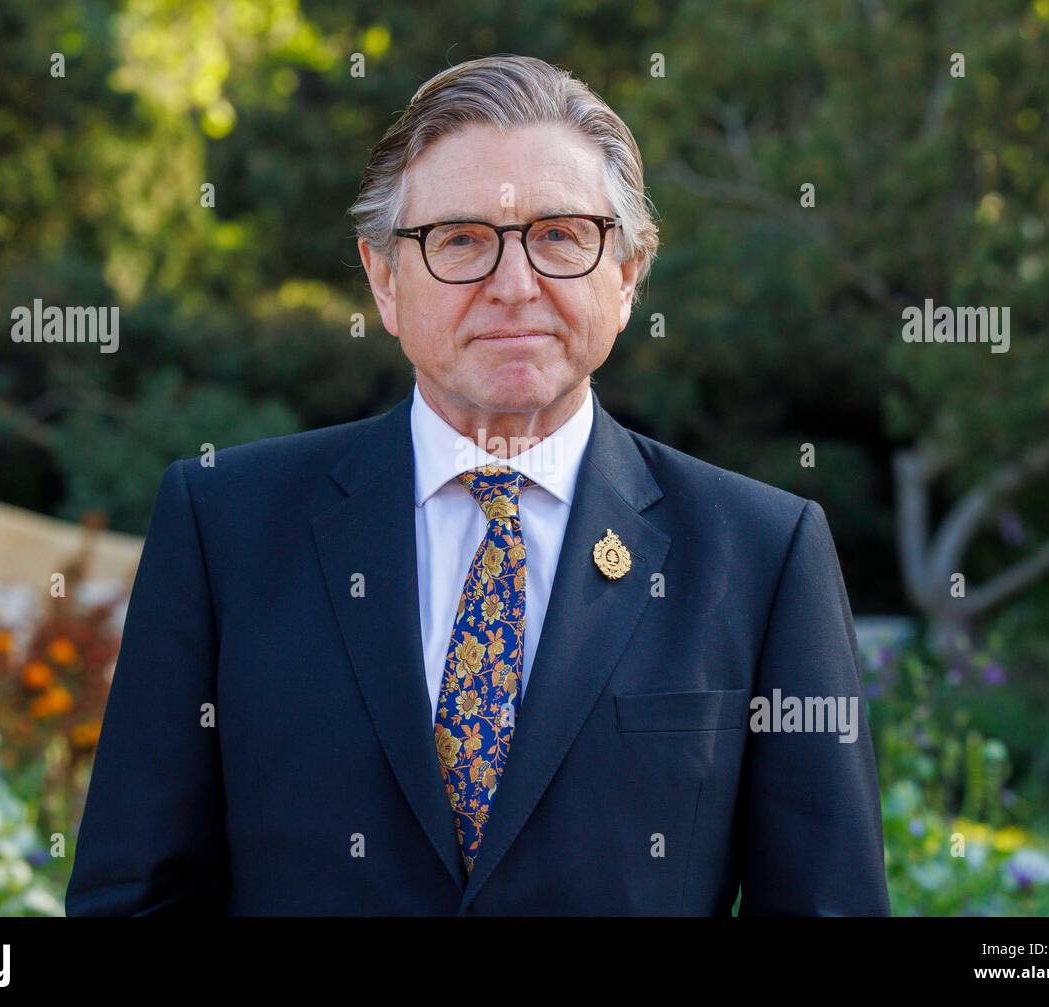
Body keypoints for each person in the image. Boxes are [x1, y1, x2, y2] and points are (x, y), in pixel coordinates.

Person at [66, 54, 890, 916]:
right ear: (384, 278)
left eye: (561, 235)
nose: (514, 286)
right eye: (460, 240)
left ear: (629, 273)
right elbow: (136, 899)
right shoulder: (224, 526)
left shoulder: (761, 552)